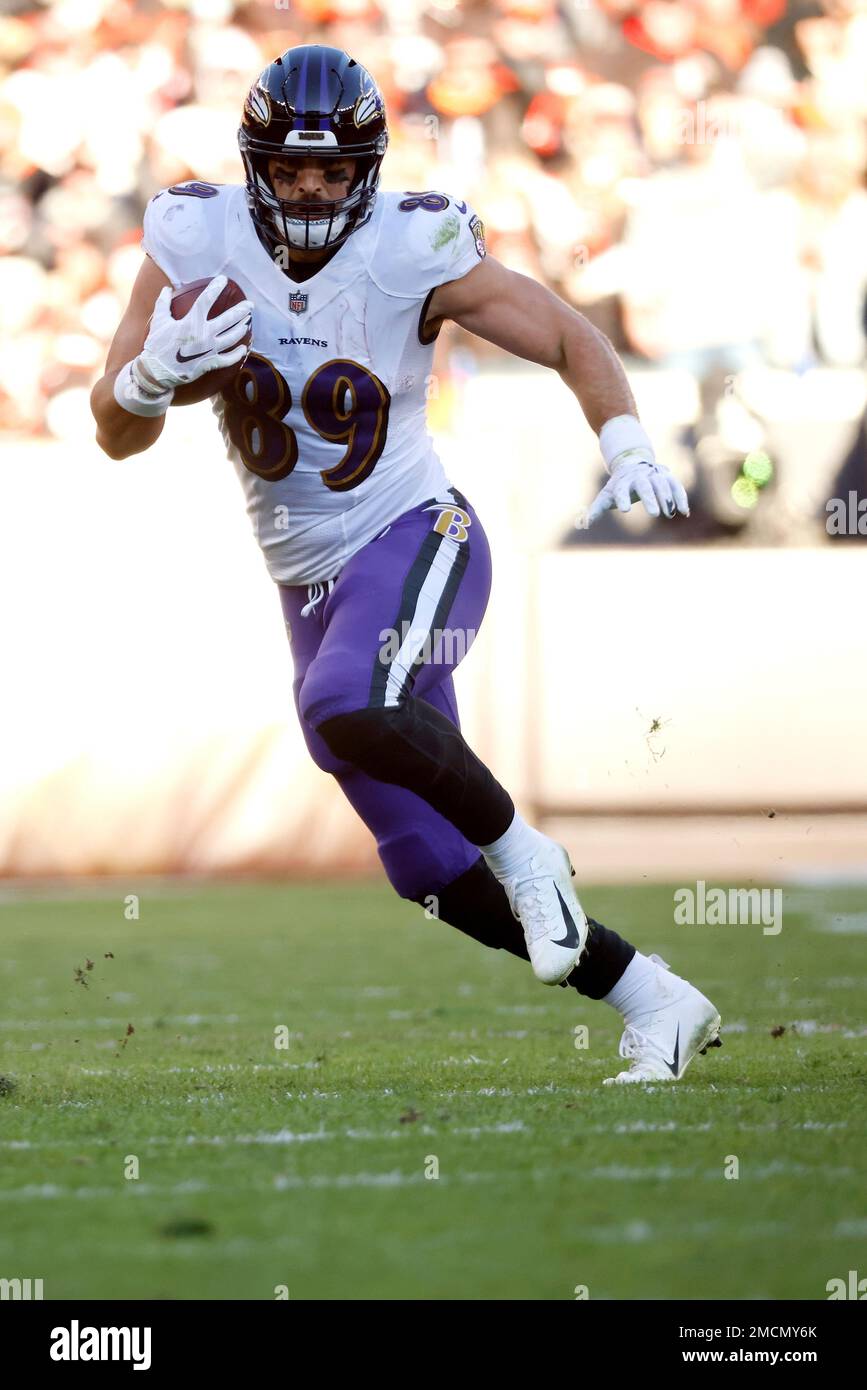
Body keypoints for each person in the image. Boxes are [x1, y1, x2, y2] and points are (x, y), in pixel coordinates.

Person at [90, 44, 721, 1083]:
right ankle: (653, 995)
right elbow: (115, 430)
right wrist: (152, 376)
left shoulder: (408, 246)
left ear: (366, 170)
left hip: (417, 534)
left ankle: (531, 855)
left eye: (331, 172)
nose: (307, 190)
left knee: (347, 701)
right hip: (305, 580)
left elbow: (565, 335)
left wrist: (627, 443)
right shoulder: (194, 237)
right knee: (426, 863)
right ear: (253, 164)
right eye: (289, 171)